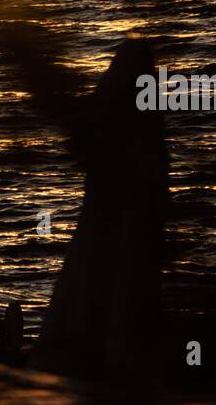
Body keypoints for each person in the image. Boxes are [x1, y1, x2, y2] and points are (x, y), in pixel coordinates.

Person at [29, 38, 169, 381]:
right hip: (121, 217)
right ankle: (113, 351)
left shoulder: (105, 113)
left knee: (98, 279)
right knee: (118, 280)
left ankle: (95, 346)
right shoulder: (140, 115)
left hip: (107, 217)